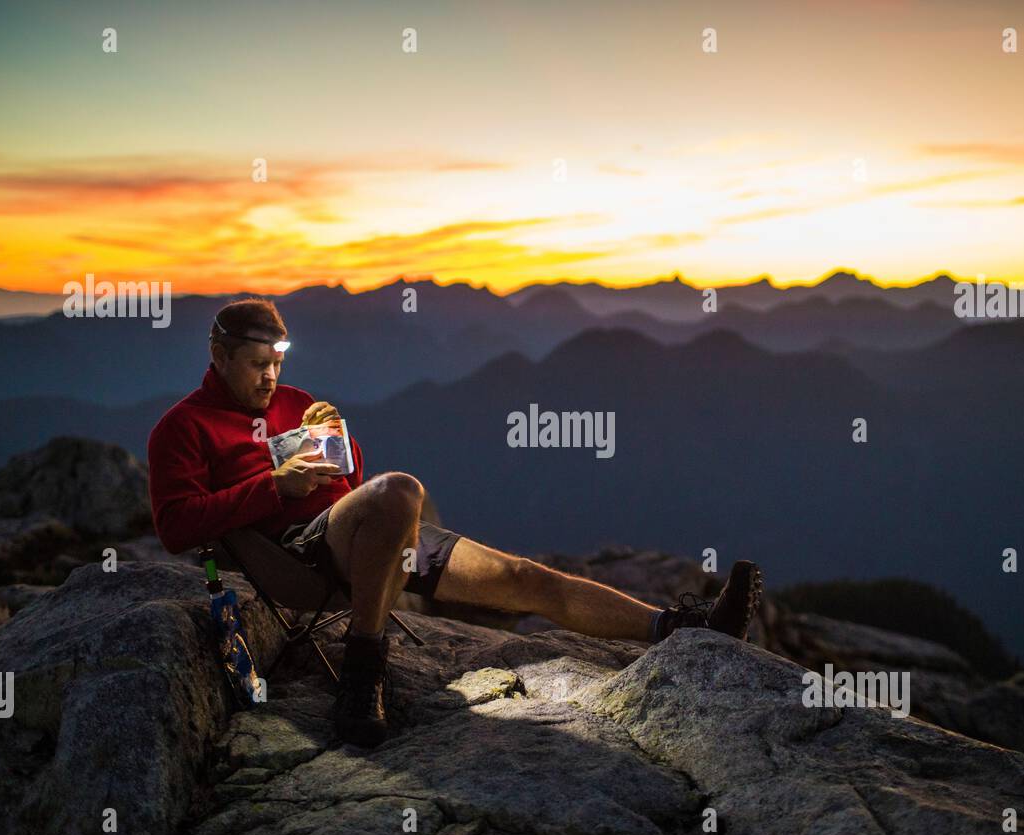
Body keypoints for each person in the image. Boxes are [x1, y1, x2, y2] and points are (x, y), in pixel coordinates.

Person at [147, 299, 764, 747]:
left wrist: (339, 445)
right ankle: (364, 671)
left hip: (360, 537)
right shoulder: (183, 428)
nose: (271, 378)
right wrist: (270, 487)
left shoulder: (291, 401)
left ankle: (684, 625)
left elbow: (351, 488)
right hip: (296, 556)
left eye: (276, 363)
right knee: (403, 489)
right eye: (256, 365)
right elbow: (177, 526)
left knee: (524, 577)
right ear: (219, 356)